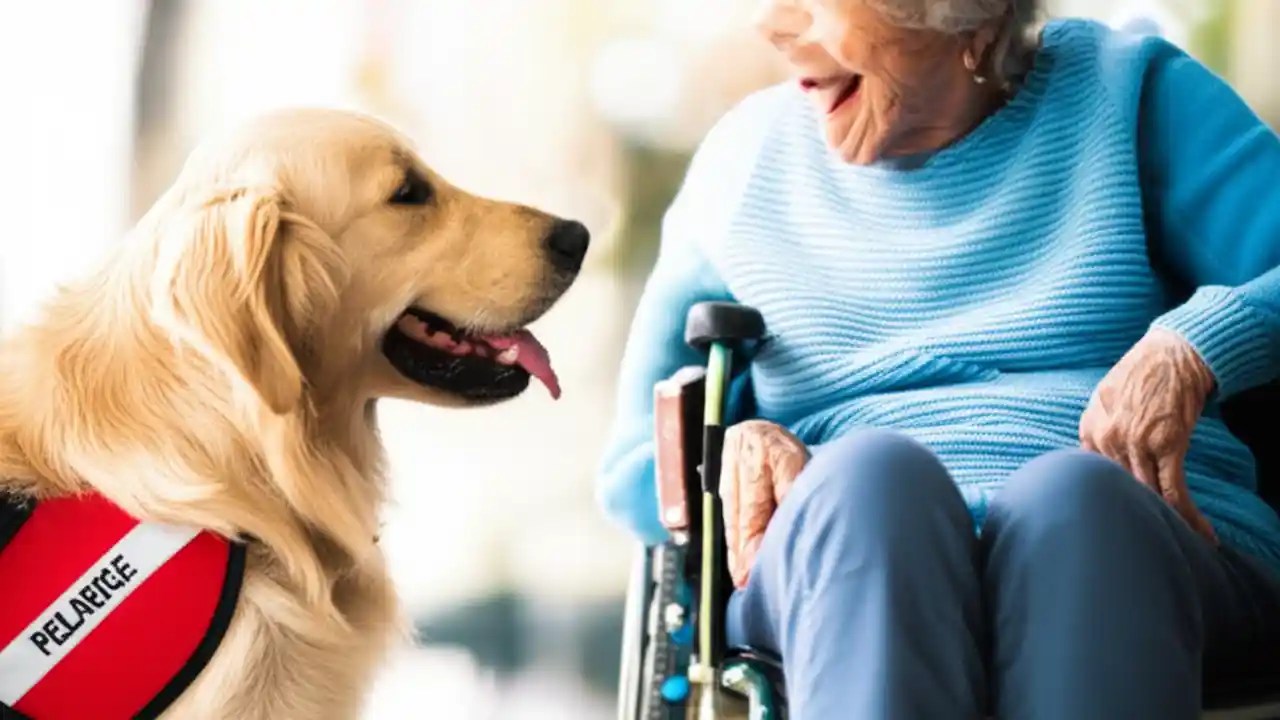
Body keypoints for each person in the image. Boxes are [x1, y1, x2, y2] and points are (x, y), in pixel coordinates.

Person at [595, 1, 1280, 718]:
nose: (775, 26)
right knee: (868, 483)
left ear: (974, 21)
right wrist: (732, 451)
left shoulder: (1129, 94)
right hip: (845, 554)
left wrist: (1201, 343)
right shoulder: (741, 167)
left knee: (1078, 505)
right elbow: (636, 467)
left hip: (1143, 542)